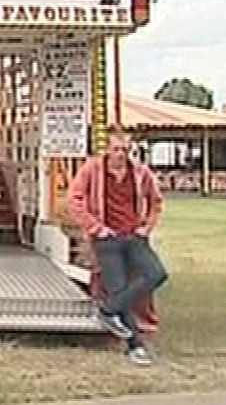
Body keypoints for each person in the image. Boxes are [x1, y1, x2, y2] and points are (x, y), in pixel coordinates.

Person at [66, 130, 168, 366]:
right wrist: (95, 227)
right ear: (107, 150)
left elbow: (156, 201)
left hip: (134, 235)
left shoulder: (141, 172)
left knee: (156, 273)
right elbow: (74, 198)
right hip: (106, 238)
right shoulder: (92, 170)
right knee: (117, 286)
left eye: (125, 150)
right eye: (116, 150)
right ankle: (135, 345)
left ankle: (109, 308)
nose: (121, 155)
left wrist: (147, 226)